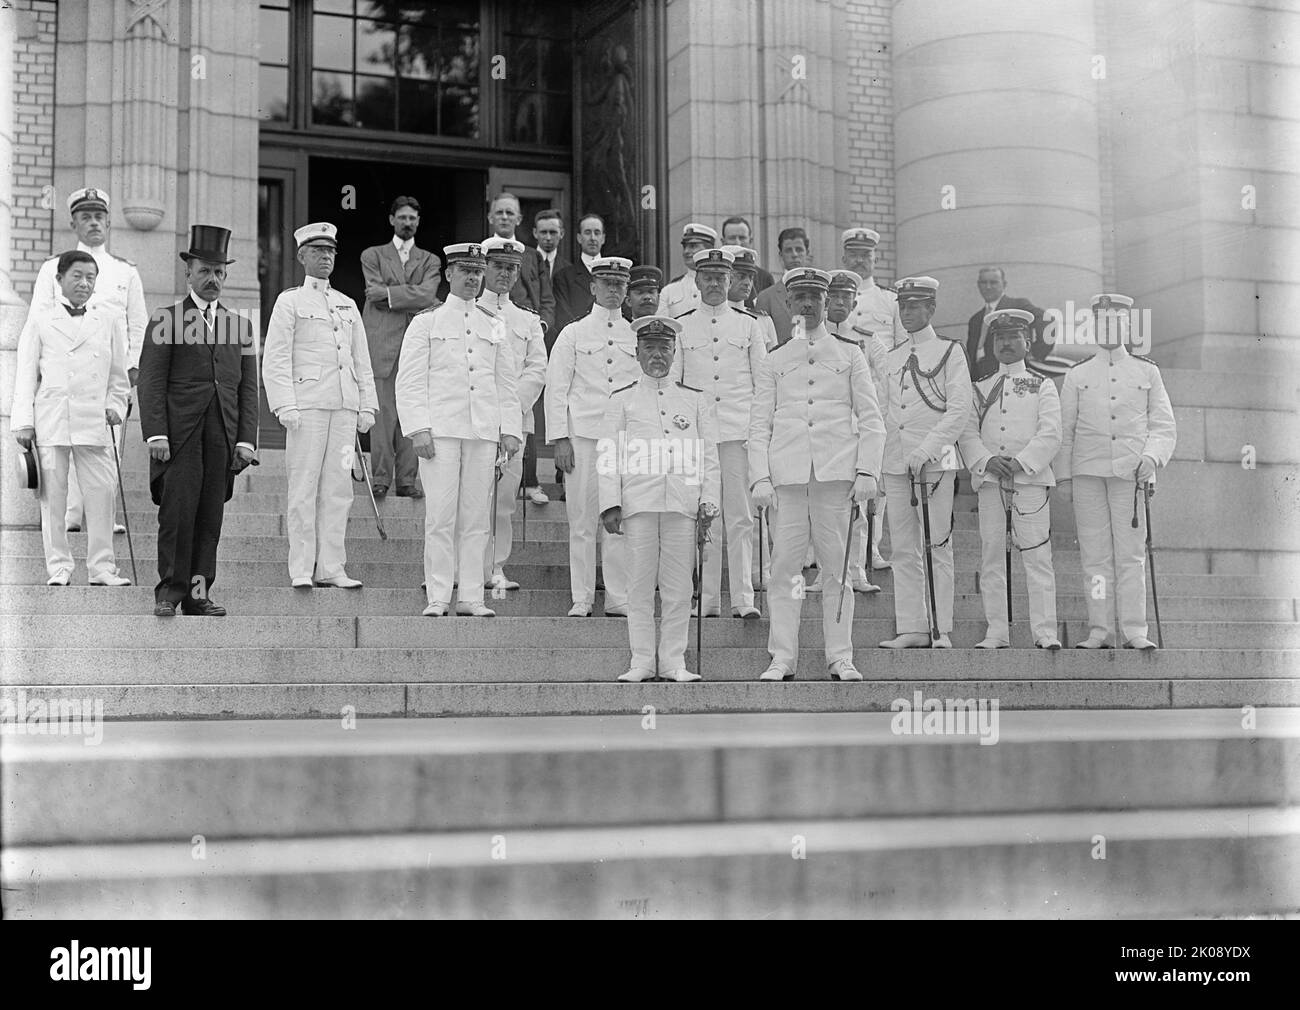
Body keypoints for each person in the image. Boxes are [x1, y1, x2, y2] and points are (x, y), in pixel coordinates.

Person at [749, 267, 885, 681]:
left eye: (816, 297)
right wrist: (759, 477)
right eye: (801, 297)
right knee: (785, 572)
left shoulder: (850, 354)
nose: (808, 304)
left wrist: (867, 471)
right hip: (788, 479)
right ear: (789, 303)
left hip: (835, 477)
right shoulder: (775, 358)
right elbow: (759, 424)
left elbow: (871, 418)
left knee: (837, 572)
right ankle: (782, 657)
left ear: (827, 303)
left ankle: (840, 656)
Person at [137, 225, 259, 615]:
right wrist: (156, 433)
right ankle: (169, 594)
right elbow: (151, 381)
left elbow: (248, 389)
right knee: (177, 514)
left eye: (219, 272)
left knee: (209, 518)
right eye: (205, 270)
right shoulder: (166, 319)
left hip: (221, 433)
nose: (213, 279)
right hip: (179, 434)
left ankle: (197, 595)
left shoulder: (240, 326)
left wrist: (246, 440)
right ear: (188, 272)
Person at [397, 242, 522, 617]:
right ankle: (438, 595)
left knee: (476, 518)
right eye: (466, 271)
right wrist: (418, 428)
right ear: (449, 274)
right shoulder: (427, 321)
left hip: (483, 431)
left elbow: (506, 381)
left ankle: (471, 597)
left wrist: (510, 429)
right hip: (441, 431)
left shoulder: (493, 323)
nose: (472, 278)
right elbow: (410, 380)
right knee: (440, 516)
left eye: (478, 272)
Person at [599, 316, 721, 682]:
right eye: (649, 348)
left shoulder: (694, 400)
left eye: (664, 348)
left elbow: (708, 455)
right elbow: (609, 455)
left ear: (674, 352)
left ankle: (673, 662)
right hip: (638, 503)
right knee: (638, 586)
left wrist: (708, 499)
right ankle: (641, 661)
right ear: (637, 353)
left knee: (679, 588)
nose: (657, 355)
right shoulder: (622, 400)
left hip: (682, 504)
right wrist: (610, 503)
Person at [1056, 294, 1177, 650]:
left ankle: (1135, 630)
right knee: (1094, 556)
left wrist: (1152, 458)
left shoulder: (1147, 371)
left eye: (1115, 322)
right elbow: (1066, 430)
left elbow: (1163, 425)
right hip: (1088, 473)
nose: (1108, 328)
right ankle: (1100, 630)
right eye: (1102, 323)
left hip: (1131, 473)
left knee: (1131, 555)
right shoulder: (1078, 374)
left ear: (1127, 326)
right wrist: (1064, 477)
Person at [263, 222, 378, 590]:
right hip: (307, 410)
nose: (326, 257)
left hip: (344, 410)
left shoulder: (346, 304)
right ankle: (301, 567)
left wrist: (367, 406)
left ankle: (331, 566)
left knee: (339, 488)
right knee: (304, 487)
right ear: (302, 256)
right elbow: (276, 357)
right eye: (317, 251)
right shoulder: (290, 301)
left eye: (330, 250)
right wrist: (284, 404)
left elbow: (361, 360)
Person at [29, 187, 146, 536]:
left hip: (108, 375)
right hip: (65, 373)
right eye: (85, 217)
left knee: (107, 445)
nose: (93, 223)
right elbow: (38, 320)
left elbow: (138, 323)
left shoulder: (125, 271)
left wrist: (132, 367)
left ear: (108, 223)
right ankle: (69, 515)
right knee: (65, 442)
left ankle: (103, 515)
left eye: (99, 217)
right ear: (73, 224)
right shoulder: (53, 268)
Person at [12, 250, 130, 587]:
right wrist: (24, 421)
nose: (84, 283)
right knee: (53, 499)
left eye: (91, 278)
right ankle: (59, 567)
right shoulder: (41, 320)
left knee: (102, 494)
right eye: (77, 276)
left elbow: (119, 377)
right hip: (53, 419)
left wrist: (115, 406)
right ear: (60, 279)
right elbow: (25, 373)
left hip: (94, 420)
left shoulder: (108, 320)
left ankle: (102, 568)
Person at [957, 309, 1062, 650]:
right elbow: (967, 433)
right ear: (992, 344)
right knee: (992, 558)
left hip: (1030, 482)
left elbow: (1051, 433)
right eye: (999, 338)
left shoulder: (1042, 385)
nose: (1005, 343)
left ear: (1027, 342)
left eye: (1013, 337)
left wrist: (1021, 462)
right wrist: (986, 460)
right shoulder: (979, 388)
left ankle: (1044, 632)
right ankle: (997, 631)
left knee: (1037, 557)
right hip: (991, 482)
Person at [878, 277, 973, 649]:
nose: (907, 313)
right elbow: (884, 412)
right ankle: (912, 627)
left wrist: (927, 449)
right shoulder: (892, 356)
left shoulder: (950, 351)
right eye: (903, 306)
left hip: (935, 463)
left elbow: (959, 409)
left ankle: (940, 628)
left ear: (931, 309)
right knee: (903, 549)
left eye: (915, 306)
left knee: (938, 545)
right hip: (896, 462)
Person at [674, 247, 765, 619]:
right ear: (697, 280)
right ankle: (707, 599)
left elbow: (763, 384)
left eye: (721, 277)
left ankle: (743, 599)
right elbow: (675, 385)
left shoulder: (748, 325)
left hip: (738, 432)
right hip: (697, 436)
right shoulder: (680, 324)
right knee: (704, 514)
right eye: (708, 277)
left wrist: (759, 433)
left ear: (731, 281)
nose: (714, 283)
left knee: (741, 516)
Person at [545, 256, 638, 617]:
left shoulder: (636, 333)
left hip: (623, 440)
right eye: (607, 283)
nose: (614, 290)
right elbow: (556, 388)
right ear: (593, 287)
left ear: (627, 290)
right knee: (582, 521)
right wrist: (560, 439)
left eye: (620, 284)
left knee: (619, 520)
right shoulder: (573, 333)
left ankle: (618, 597)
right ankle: (581, 597)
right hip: (583, 437)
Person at [476, 237, 547, 592]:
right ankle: (462, 567)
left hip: (514, 423)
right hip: (474, 419)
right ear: (484, 268)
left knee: (503, 501)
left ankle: (495, 566)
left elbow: (537, 368)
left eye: (511, 268)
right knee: (470, 499)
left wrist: (509, 409)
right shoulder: (469, 312)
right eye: (498, 266)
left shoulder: (527, 320)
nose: (504, 273)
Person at [359, 195, 441, 498]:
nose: (407, 222)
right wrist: (413, 295)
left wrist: (391, 294)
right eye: (402, 217)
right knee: (382, 415)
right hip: (382, 342)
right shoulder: (373, 255)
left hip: (416, 344)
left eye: (412, 218)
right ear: (392, 219)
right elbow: (374, 293)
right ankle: (381, 478)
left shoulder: (430, 260)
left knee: (413, 411)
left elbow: (428, 295)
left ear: (418, 222)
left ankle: (407, 480)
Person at [815, 267, 883, 594]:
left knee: (858, 508)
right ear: (825, 300)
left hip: (856, 433)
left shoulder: (868, 341)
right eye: (835, 296)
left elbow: (884, 384)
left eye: (847, 297)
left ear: (855, 302)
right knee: (819, 509)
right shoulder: (810, 338)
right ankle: (824, 574)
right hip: (821, 432)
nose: (840, 302)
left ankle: (857, 572)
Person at [966, 267, 1049, 380]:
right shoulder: (975, 319)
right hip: (979, 379)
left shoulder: (1018, 305)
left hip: (1008, 376)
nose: (988, 287)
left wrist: (1036, 353)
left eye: (993, 282)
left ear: (1004, 284)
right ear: (978, 285)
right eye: (984, 283)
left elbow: (1048, 320)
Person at [487, 192, 555, 327]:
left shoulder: (533, 256)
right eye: (499, 212)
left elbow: (547, 300)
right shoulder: (482, 252)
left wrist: (541, 326)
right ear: (490, 218)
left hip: (527, 328)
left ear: (518, 219)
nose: (504, 217)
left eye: (510, 213)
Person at [754, 227, 812, 345]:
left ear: (807, 253)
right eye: (788, 250)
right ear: (781, 255)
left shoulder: (822, 293)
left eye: (799, 250)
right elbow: (762, 342)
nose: (794, 255)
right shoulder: (766, 297)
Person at [552, 213, 607, 333]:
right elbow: (563, 317)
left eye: (597, 233)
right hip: (577, 339)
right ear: (579, 238)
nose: (592, 238)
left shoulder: (612, 275)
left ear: (603, 238)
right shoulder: (563, 277)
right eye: (587, 232)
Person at [722, 246, 779, 350]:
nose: (747, 283)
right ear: (724, 277)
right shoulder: (711, 317)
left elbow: (774, 358)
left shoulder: (763, 320)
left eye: (751, 277)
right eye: (741, 276)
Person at [657, 222, 717, 318]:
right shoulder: (669, 290)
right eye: (685, 246)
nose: (686, 251)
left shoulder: (721, 286)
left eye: (693, 246)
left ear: (709, 249)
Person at [720, 216, 776, 298]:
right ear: (723, 242)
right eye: (732, 238)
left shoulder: (764, 278)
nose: (737, 243)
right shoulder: (714, 273)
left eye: (742, 238)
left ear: (750, 241)